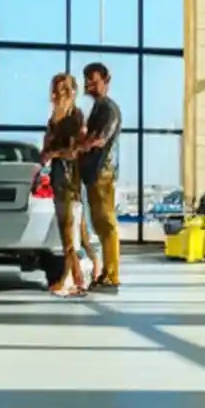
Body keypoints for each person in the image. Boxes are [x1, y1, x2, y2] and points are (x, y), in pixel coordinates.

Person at [40, 73, 100, 297]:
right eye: (54, 90)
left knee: (69, 230)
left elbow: (75, 151)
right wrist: (46, 152)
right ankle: (91, 269)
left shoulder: (74, 117)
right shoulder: (55, 118)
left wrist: (53, 152)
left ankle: (76, 278)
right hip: (58, 176)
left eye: (60, 90)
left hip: (70, 178)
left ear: (70, 92)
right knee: (78, 232)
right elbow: (48, 147)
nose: (55, 95)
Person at [80, 62, 123, 293]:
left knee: (106, 224)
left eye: (93, 81)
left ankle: (112, 275)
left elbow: (101, 139)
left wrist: (82, 145)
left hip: (102, 173)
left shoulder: (108, 109)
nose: (89, 85)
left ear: (106, 81)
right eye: (87, 81)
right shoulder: (98, 107)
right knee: (100, 224)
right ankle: (107, 273)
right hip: (94, 172)